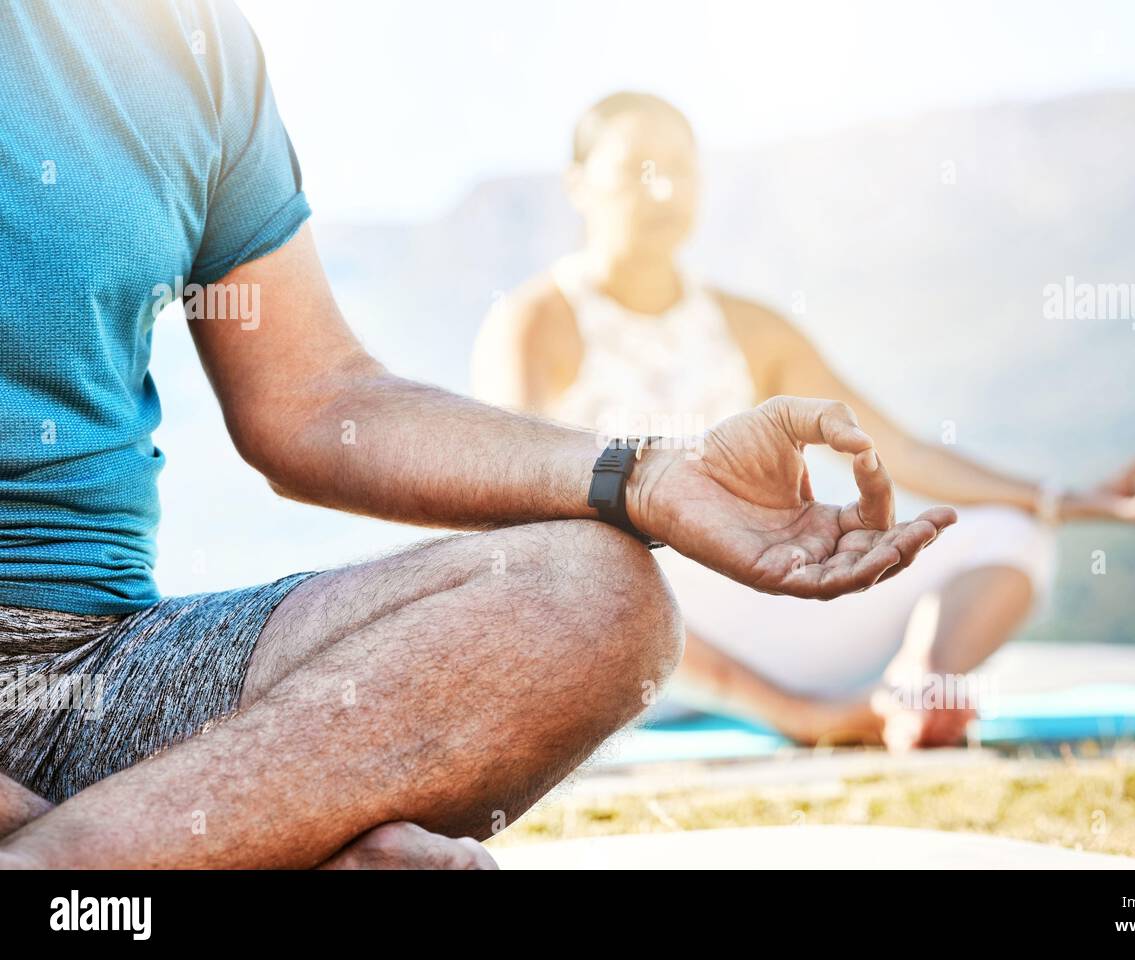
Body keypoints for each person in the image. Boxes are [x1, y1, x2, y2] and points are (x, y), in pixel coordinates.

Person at [0, 3, 954, 870]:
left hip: (102, 663)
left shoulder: (191, 43)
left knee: (599, 596)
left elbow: (314, 399)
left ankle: (85, 858)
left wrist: (650, 479)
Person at [473, 91, 1135, 749]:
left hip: (770, 599)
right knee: (588, 563)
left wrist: (1068, 500)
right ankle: (809, 718)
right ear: (578, 185)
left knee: (1011, 535)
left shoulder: (751, 326)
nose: (664, 189)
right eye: (638, 169)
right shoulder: (534, 321)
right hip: (630, 636)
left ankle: (919, 687)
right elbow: (515, 503)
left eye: (682, 168)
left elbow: (898, 451)